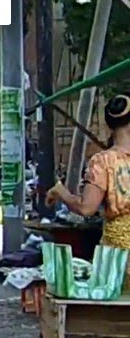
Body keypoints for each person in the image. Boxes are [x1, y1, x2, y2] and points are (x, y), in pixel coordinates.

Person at [49, 94, 130, 292]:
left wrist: (61, 192)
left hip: (118, 257)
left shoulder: (103, 162)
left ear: (110, 126)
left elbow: (86, 208)